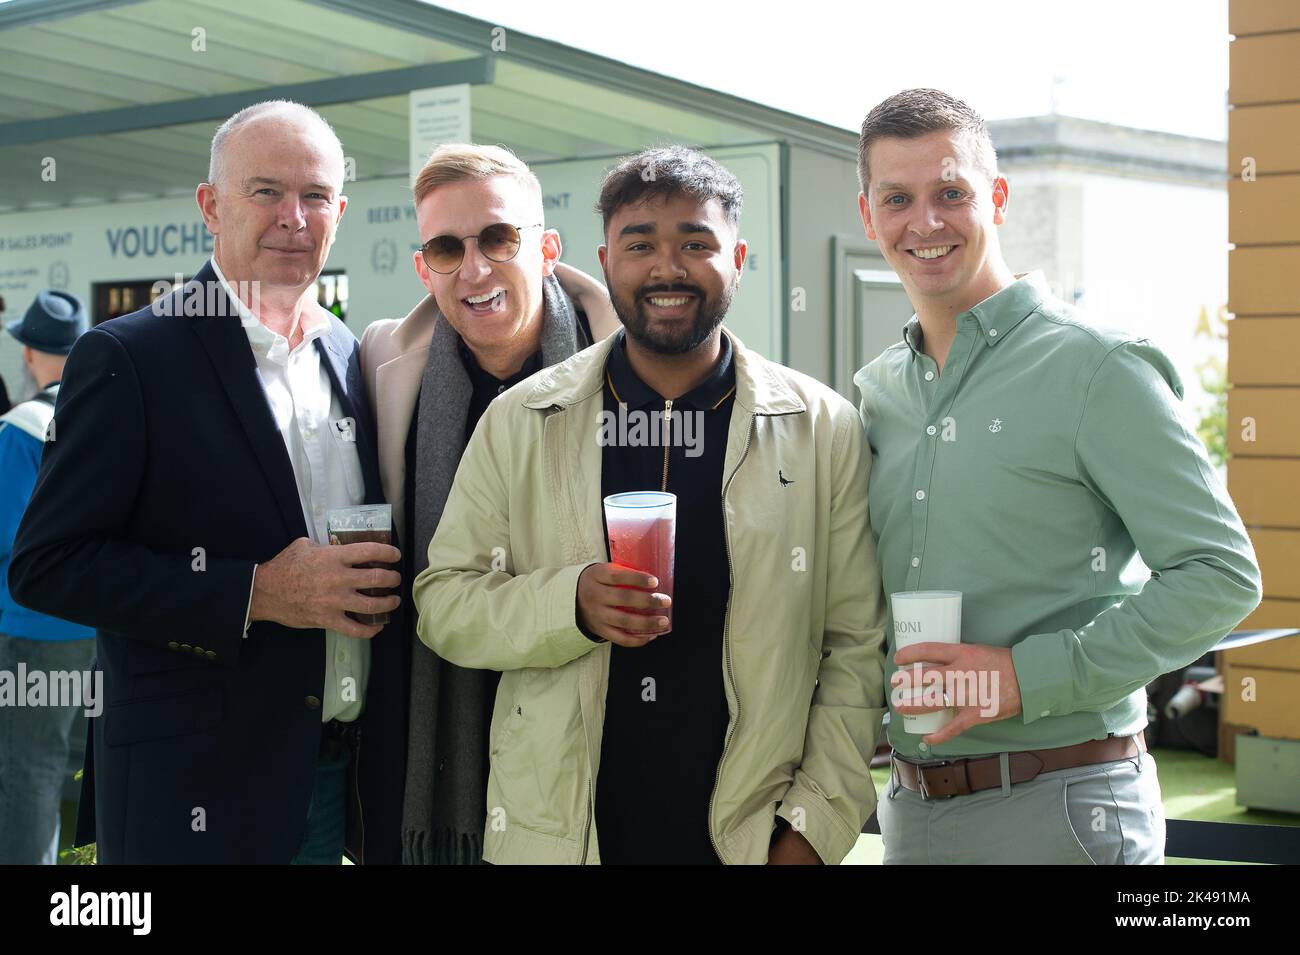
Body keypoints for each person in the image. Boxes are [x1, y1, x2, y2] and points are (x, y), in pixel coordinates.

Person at [413, 145, 887, 864]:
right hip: (566, 842)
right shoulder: (522, 420)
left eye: (696, 243)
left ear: (739, 257)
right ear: (606, 262)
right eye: (641, 245)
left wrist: (810, 831)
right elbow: (444, 604)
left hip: (748, 842)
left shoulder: (821, 429)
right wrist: (568, 604)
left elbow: (854, 645)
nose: (668, 268)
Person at [853, 89, 1262, 864]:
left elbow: (1221, 575)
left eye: (952, 193)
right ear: (869, 216)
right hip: (910, 812)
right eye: (897, 198)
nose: (926, 221)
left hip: (1062, 812)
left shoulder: (1096, 366)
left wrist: (1023, 676)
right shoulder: (877, 394)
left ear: (997, 197)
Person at [9, 100, 401, 864]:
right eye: (266, 191)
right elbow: (47, 565)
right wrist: (257, 591)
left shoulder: (354, 355)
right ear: (210, 206)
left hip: (330, 778)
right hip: (192, 789)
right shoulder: (129, 357)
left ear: (341, 211)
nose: (294, 216)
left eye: (316, 195)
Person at [359, 143, 617, 864]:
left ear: (547, 247)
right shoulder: (384, 364)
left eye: (499, 238)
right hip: (433, 733)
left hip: (584, 743)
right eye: (447, 247)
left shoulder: (627, 360)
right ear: (424, 266)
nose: (474, 268)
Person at [0, 290, 96, 864]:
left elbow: (14, 538)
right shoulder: (103, 411)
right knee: (74, 764)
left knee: (27, 767)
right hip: (98, 623)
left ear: (30, 351)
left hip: (33, 630)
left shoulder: (20, 427)